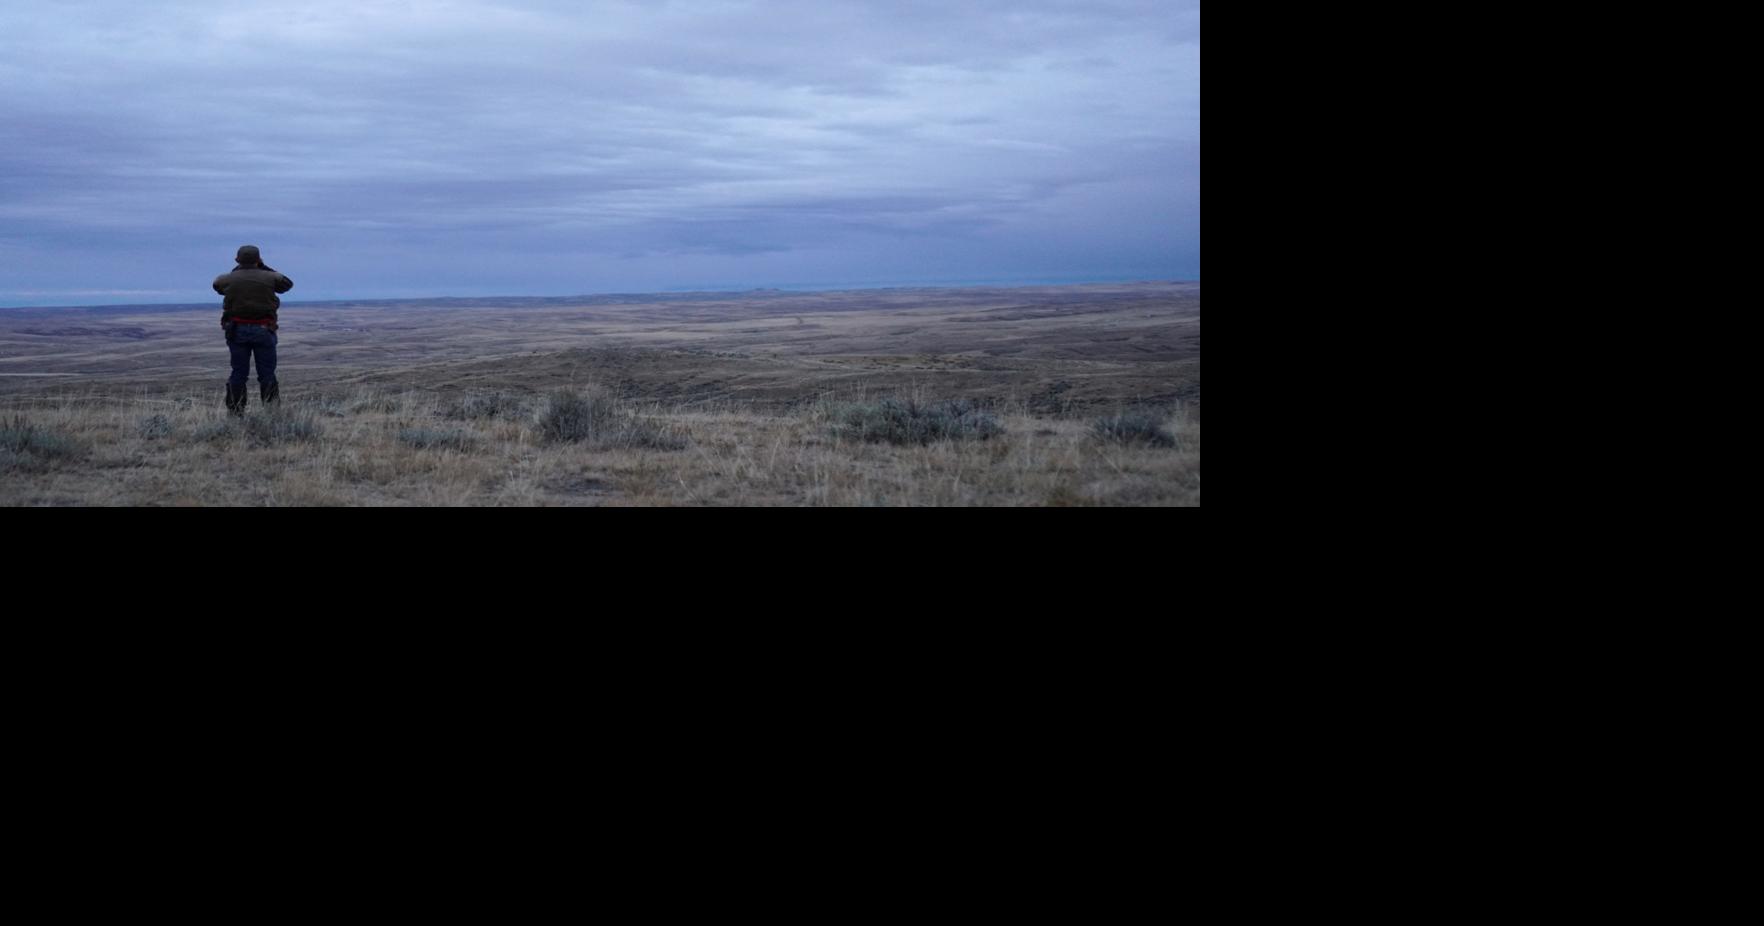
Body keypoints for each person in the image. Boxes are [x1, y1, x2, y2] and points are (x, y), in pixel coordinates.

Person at [213, 245, 293, 415]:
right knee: (267, 374)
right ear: (259, 259)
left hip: (237, 331)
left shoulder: (228, 279)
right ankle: (272, 413)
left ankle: (235, 413)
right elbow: (287, 284)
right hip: (264, 330)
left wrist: (239, 270)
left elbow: (217, 287)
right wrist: (263, 267)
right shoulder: (270, 277)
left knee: (238, 373)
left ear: (237, 260)